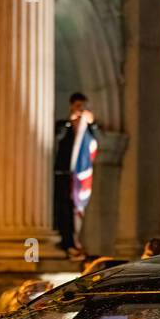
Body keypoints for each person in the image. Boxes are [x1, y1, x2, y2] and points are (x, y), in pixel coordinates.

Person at [54, 92, 99, 258]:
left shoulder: (88, 129)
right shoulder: (64, 125)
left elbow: (98, 141)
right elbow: (56, 136)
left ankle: (76, 243)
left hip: (80, 177)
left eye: (83, 107)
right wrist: (69, 122)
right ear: (72, 106)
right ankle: (66, 243)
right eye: (78, 106)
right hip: (64, 174)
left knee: (77, 209)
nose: (81, 110)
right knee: (63, 209)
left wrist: (91, 124)